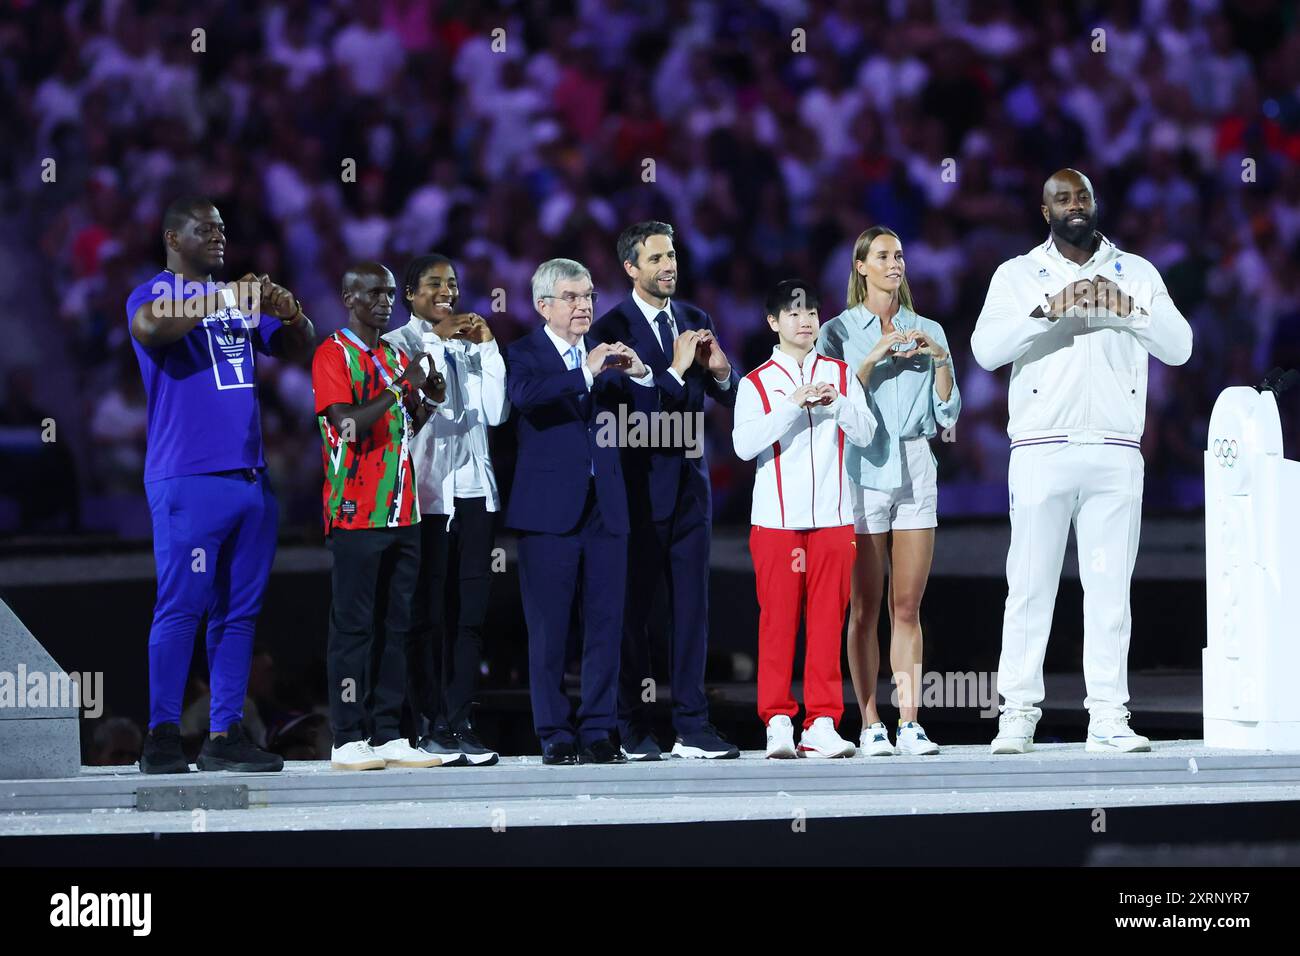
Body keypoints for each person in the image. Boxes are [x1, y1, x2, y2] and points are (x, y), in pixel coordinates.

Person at [971, 168, 1193, 755]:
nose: (1075, 205)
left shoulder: (1136, 272)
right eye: (1062, 199)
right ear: (1045, 211)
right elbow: (986, 350)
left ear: (1095, 204)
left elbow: (1180, 347)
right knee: (1029, 585)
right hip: (1043, 449)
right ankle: (1016, 715)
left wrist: (1128, 311)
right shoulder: (1018, 275)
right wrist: (1048, 308)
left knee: (1109, 590)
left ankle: (1109, 719)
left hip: (1115, 452)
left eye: (1082, 196)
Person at [128, 197, 315, 775]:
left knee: (238, 614)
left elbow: (298, 348)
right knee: (182, 604)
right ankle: (161, 734)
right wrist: (226, 296)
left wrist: (292, 313)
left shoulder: (237, 301)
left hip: (250, 479)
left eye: (223, 228)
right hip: (188, 475)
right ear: (171, 238)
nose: (218, 236)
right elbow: (152, 329)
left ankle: (224, 732)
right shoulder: (152, 293)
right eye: (204, 229)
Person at [592, 221, 741, 760]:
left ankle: (693, 727)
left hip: (690, 491)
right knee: (634, 615)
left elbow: (727, 398)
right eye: (655, 258)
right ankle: (631, 726)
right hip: (636, 491)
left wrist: (723, 376)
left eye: (672, 254)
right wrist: (676, 373)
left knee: (692, 612)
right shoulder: (609, 328)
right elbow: (625, 416)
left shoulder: (696, 319)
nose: (668, 265)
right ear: (631, 268)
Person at [505, 258, 656, 765]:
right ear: (542, 304)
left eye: (589, 295)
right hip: (549, 513)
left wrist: (642, 375)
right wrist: (582, 373)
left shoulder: (607, 355)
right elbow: (525, 399)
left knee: (606, 625)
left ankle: (597, 730)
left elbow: (647, 421)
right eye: (572, 297)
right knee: (548, 629)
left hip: (607, 511)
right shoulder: (525, 352)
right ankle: (553, 731)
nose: (585, 305)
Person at [818, 226, 961, 756]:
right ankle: (869, 720)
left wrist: (940, 359)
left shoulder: (927, 327)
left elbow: (947, 409)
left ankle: (909, 721)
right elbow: (833, 397)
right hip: (862, 470)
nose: (894, 263)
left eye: (899, 254)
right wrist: (875, 355)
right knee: (865, 606)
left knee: (907, 605)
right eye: (883, 256)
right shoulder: (837, 330)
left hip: (916, 465)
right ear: (861, 267)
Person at [311, 261, 449, 771]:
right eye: (373, 292)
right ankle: (347, 736)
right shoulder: (333, 353)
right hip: (354, 511)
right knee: (353, 628)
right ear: (349, 298)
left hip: (403, 508)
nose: (385, 301)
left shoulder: (394, 352)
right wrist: (399, 387)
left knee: (398, 625)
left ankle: (388, 731)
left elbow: (402, 428)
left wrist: (427, 402)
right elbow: (346, 425)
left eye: (390, 293)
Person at [733, 280, 877, 758]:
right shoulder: (756, 382)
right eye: (794, 314)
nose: (806, 321)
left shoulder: (840, 373)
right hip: (775, 521)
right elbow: (743, 445)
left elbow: (866, 433)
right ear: (773, 322)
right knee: (778, 622)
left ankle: (821, 722)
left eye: (812, 312)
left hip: (835, 516)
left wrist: (836, 401)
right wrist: (793, 406)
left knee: (826, 621)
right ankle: (777, 718)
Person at [384, 253, 509, 767]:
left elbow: (498, 412)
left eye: (452, 283)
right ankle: (428, 722)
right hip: (429, 496)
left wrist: (491, 347)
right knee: (427, 616)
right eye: (433, 284)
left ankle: (462, 721)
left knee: (470, 618)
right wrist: (440, 337)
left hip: (476, 492)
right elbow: (407, 410)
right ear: (410, 295)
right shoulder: (397, 345)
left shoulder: (472, 342)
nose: (446, 291)